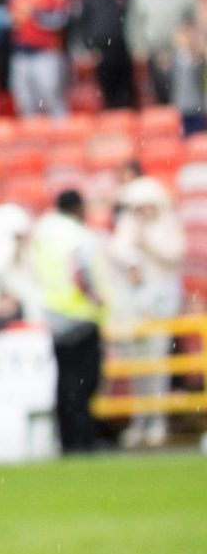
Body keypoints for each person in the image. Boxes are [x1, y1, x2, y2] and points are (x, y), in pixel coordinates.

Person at [29, 192, 111, 454]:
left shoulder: (42, 231)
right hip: (80, 315)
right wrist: (97, 299)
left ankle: (68, 440)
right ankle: (84, 438)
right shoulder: (78, 234)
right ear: (77, 207)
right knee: (86, 382)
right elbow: (81, 273)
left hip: (53, 314)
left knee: (64, 381)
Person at [110, 177, 186, 447]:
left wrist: (148, 241)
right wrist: (132, 256)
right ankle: (139, 421)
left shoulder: (166, 225)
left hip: (161, 305)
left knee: (157, 366)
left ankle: (158, 421)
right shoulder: (127, 227)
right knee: (137, 368)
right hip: (134, 308)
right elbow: (118, 252)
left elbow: (174, 253)